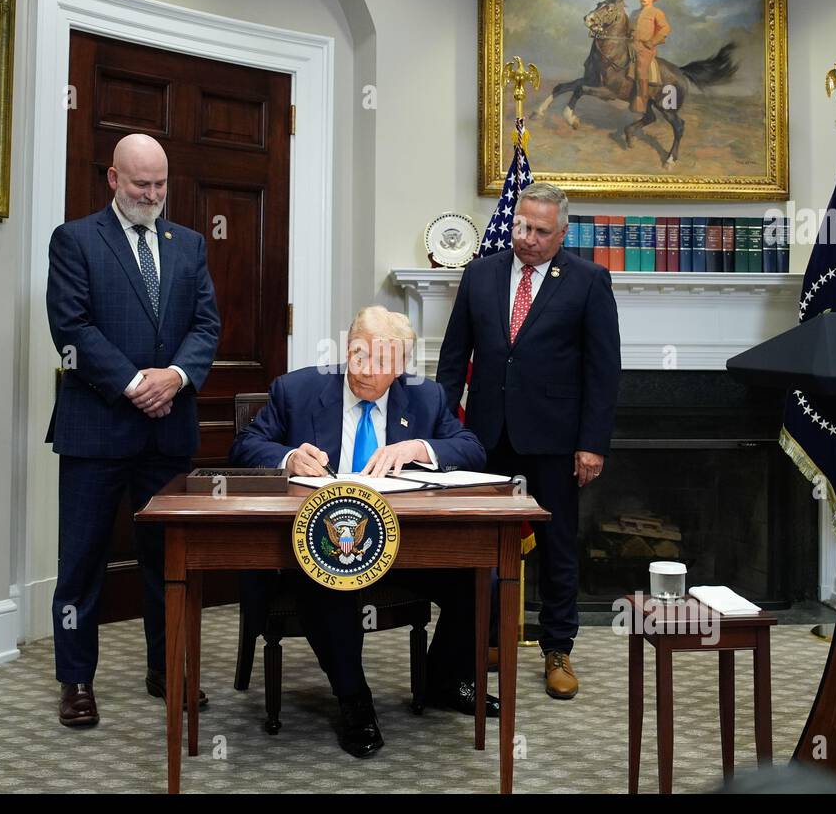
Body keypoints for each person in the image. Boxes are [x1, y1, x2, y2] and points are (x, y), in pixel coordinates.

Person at [230, 306, 492, 758]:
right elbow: (245, 446)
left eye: (383, 363)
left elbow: (472, 449)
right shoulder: (298, 389)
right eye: (360, 356)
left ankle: (443, 678)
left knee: (480, 578)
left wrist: (420, 447)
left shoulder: (424, 397)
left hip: (403, 547)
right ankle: (354, 701)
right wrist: (289, 457)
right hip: (324, 544)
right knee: (330, 576)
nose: (368, 371)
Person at [46, 133, 220, 727]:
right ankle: (75, 681)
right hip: (95, 428)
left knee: (165, 561)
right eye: (141, 183)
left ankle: (166, 667)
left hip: (167, 432)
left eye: (161, 184)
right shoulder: (74, 240)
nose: (152, 194)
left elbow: (205, 325)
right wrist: (132, 384)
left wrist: (173, 376)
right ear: (114, 179)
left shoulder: (190, 245)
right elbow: (71, 328)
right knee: (82, 562)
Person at [436, 182, 621, 700]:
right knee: (481, 543)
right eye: (522, 226)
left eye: (541, 231)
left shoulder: (588, 281)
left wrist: (593, 444)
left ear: (561, 233)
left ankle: (558, 648)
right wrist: (440, 432)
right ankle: (486, 640)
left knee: (558, 546)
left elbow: (603, 371)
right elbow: (453, 361)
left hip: (556, 441)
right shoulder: (480, 273)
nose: (528, 238)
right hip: (485, 438)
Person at [630, 0, 670, 113]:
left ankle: (641, 101)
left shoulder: (656, 12)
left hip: (645, 48)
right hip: (630, 44)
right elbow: (628, 29)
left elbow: (665, 29)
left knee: (641, 68)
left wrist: (652, 42)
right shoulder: (634, 13)